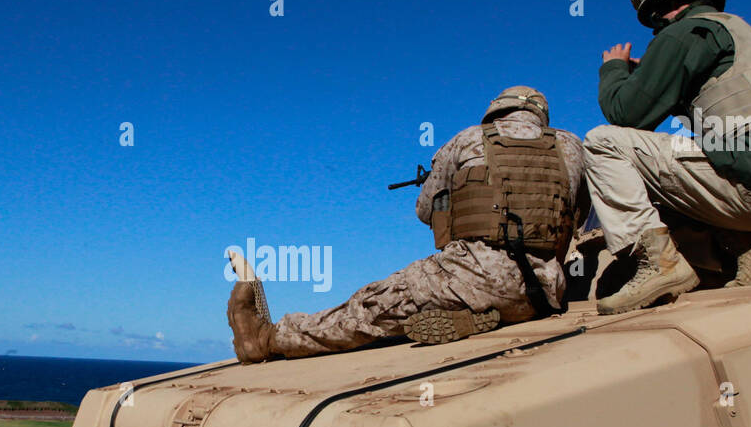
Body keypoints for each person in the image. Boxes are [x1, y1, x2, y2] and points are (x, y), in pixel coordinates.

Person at [227, 87, 588, 362]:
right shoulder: (572, 148)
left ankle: (264, 339)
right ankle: (488, 316)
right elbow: (576, 217)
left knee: (369, 308)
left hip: (472, 281)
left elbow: (425, 209)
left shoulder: (467, 139)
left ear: (495, 112)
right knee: (472, 296)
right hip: (544, 295)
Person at [582, 0, 751, 315]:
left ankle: (660, 266)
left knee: (603, 142)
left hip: (750, 184)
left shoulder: (687, 30)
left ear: (667, 3)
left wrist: (614, 69)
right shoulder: (739, 33)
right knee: (663, 188)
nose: (657, 27)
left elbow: (626, 114)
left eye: (655, 18)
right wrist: (657, 73)